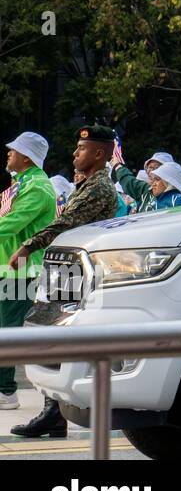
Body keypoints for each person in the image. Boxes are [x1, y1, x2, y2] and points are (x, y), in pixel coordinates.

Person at [8, 125, 121, 439]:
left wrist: (28, 245)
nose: (75, 153)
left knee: (57, 342)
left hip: (82, 277)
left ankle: (59, 412)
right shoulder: (87, 184)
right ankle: (53, 413)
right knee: (49, 341)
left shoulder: (100, 187)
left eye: (81, 149)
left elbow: (65, 223)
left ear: (99, 153)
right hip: (68, 275)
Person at [0, 132, 56, 411]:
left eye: (13, 150)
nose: (8, 153)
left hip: (24, 270)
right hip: (10, 267)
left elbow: (9, 224)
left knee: (8, 330)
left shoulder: (36, 187)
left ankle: (6, 391)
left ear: (26, 157)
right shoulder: (20, 183)